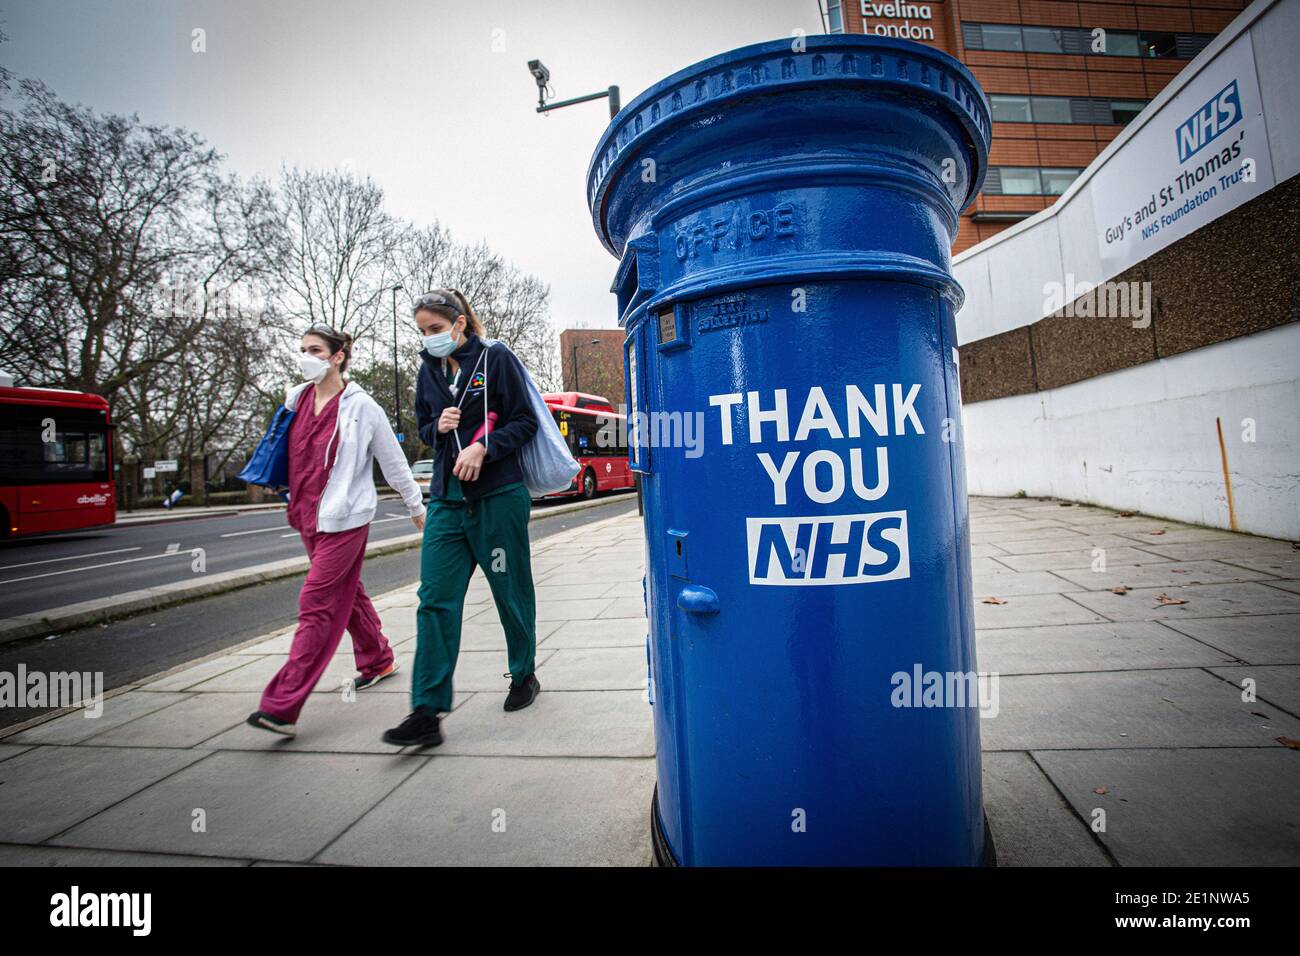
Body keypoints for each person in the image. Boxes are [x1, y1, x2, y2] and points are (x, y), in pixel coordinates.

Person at [246, 323, 425, 737]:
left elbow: (394, 462)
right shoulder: (296, 398)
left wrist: (417, 507)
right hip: (306, 515)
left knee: (318, 603)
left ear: (338, 355)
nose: (306, 356)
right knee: (350, 593)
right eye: (303, 348)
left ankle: (282, 704)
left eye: (315, 349)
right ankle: (378, 658)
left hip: (346, 519)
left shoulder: (363, 407)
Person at [382, 289, 541, 748]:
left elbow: (526, 421)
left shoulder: (495, 360)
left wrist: (483, 446)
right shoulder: (428, 371)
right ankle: (426, 712)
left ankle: (524, 674)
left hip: (497, 496)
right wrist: (441, 428)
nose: (429, 338)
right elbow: (424, 427)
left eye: (435, 329)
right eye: (422, 331)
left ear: (459, 323)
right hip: (447, 502)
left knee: (509, 590)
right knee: (434, 600)